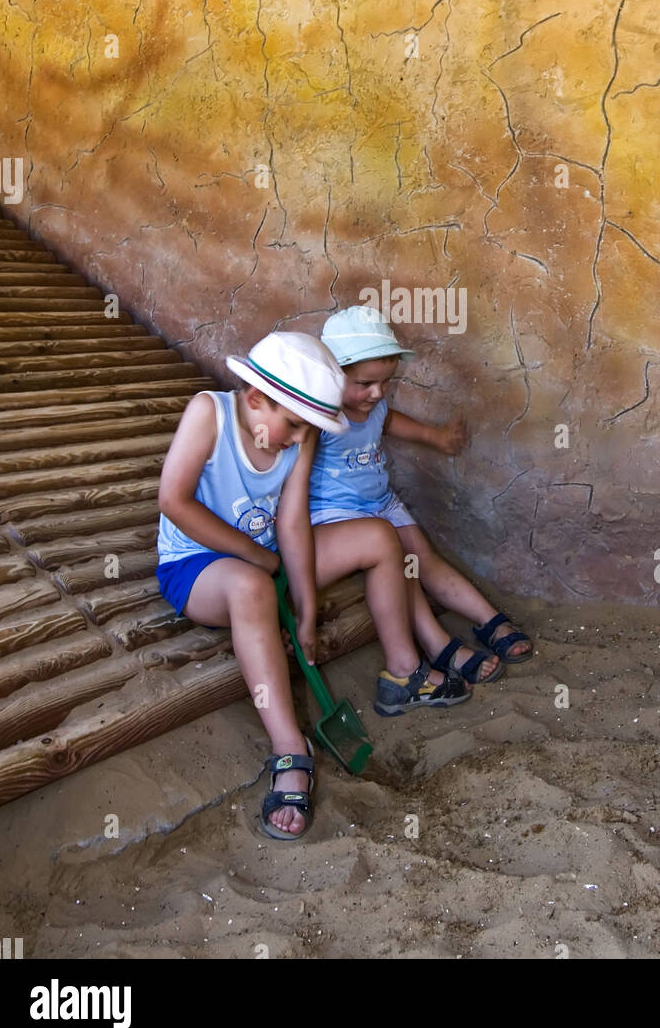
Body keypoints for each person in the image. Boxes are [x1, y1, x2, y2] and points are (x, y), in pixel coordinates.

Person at [156, 331, 467, 844]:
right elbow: (174, 501)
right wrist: (257, 558)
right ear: (256, 398)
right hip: (199, 566)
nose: (301, 439)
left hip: (268, 558)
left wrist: (303, 611)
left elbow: (293, 521)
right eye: (295, 425)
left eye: (309, 429)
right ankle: (290, 750)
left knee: (379, 536)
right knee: (254, 587)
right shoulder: (208, 413)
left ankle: (404, 673)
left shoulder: (301, 434)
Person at [309, 306, 533, 691]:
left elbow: (388, 419)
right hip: (337, 516)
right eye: (365, 383)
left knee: (422, 556)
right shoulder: (319, 416)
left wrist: (435, 436)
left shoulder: (372, 405)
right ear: (333, 373)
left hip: (381, 503)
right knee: (399, 559)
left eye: (385, 383)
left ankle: (489, 620)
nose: (376, 394)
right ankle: (438, 645)